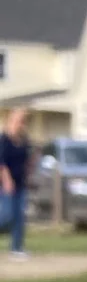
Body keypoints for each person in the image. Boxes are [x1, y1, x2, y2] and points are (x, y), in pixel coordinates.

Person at [0, 107, 32, 261]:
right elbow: (1, 162)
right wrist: (7, 180)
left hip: (20, 183)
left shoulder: (24, 140)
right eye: (19, 120)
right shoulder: (4, 140)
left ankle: (17, 248)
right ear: (11, 120)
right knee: (7, 216)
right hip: (5, 184)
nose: (21, 124)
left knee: (19, 216)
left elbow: (26, 160)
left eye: (23, 121)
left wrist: (28, 173)